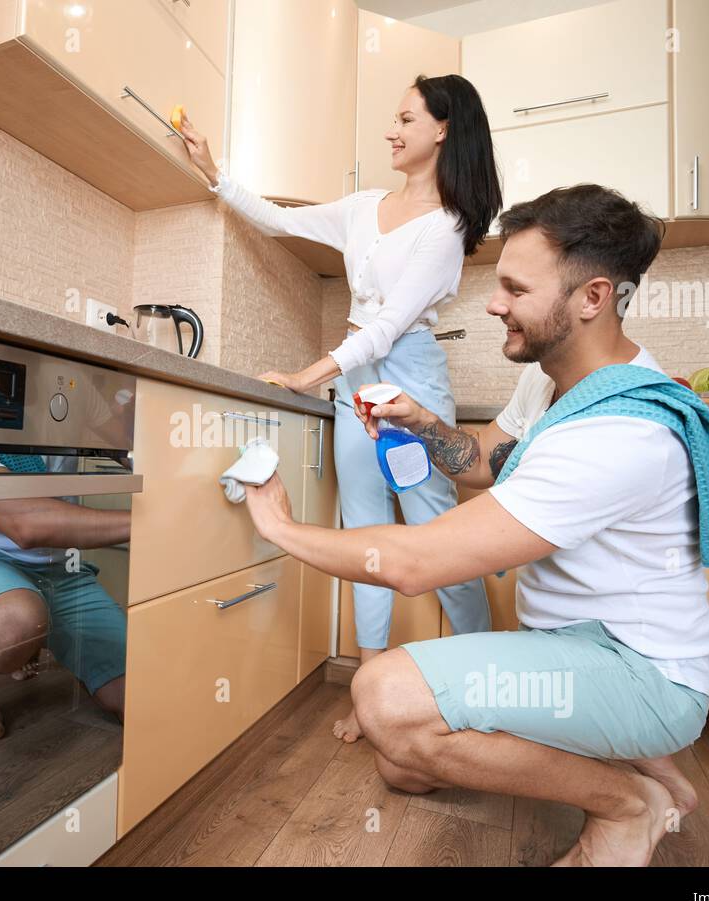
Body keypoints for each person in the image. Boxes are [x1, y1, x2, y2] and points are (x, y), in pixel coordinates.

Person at [240, 184, 709, 866]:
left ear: (593, 298)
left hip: (637, 673)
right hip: (576, 651)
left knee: (386, 697)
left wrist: (280, 528)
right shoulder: (555, 379)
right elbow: (482, 461)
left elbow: (415, 565)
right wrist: (419, 421)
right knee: (403, 765)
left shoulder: (619, 429)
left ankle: (627, 805)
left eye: (514, 288)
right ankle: (643, 767)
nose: (493, 302)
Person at [177, 75, 502, 742]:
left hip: (406, 383)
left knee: (438, 544)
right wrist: (214, 175)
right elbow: (282, 219)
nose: (392, 128)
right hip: (357, 382)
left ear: (442, 129)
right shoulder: (362, 208)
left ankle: (491, 686)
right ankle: (370, 692)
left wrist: (308, 374)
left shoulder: (444, 230)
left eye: (405, 117)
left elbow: (383, 330)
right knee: (364, 539)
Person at [0, 452, 130, 740]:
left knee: (140, 700)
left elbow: (133, 438)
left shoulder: (74, 412)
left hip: (62, 571)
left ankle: (38, 633)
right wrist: (155, 521)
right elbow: (26, 523)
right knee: (15, 623)